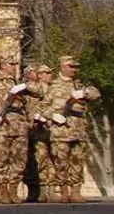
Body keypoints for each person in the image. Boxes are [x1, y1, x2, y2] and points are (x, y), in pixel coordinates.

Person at [0, 56, 38, 204]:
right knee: (1, 158)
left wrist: (26, 87)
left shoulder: (19, 83)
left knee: (19, 159)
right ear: (3, 65)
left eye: (15, 64)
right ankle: (1, 190)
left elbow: (38, 93)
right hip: (2, 125)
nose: (14, 67)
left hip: (20, 124)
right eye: (11, 64)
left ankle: (13, 188)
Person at [44, 55, 100, 203]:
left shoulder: (79, 85)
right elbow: (42, 107)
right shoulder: (53, 86)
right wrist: (53, 116)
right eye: (71, 66)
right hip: (61, 130)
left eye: (76, 67)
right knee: (61, 162)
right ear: (62, 67)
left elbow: (96, 94)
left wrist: (85, 93)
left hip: (78, 129)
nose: (74, 70)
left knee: (78, 161)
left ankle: (75, 192)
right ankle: (63, 191)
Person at [29, 64, 56, 202]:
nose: (49, 75)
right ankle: (41, 189)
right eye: (45, 73)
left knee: (53, 160)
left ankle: (52, 190)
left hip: (52, 129)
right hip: (37, 129)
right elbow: (30, 108)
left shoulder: (54, 89)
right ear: (39, 75)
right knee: (40, 159)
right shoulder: (34, 90)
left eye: (50, 73)